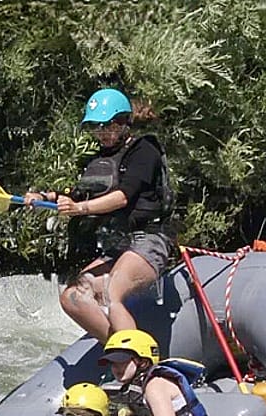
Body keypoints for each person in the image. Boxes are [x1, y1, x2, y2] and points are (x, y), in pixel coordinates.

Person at [23, 88, 174, 343]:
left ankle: (135, 358)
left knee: (112, 292)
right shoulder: (101, 160)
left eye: (108, 126)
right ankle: (118, 347)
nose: (102, 133)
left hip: (149, 241)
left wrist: (79, 208)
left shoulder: (144, 150)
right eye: (97, 127)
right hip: (120, 247)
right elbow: (78, 194)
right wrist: (43, 197)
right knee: (72, 296)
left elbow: (122, 197)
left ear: (124, 122)